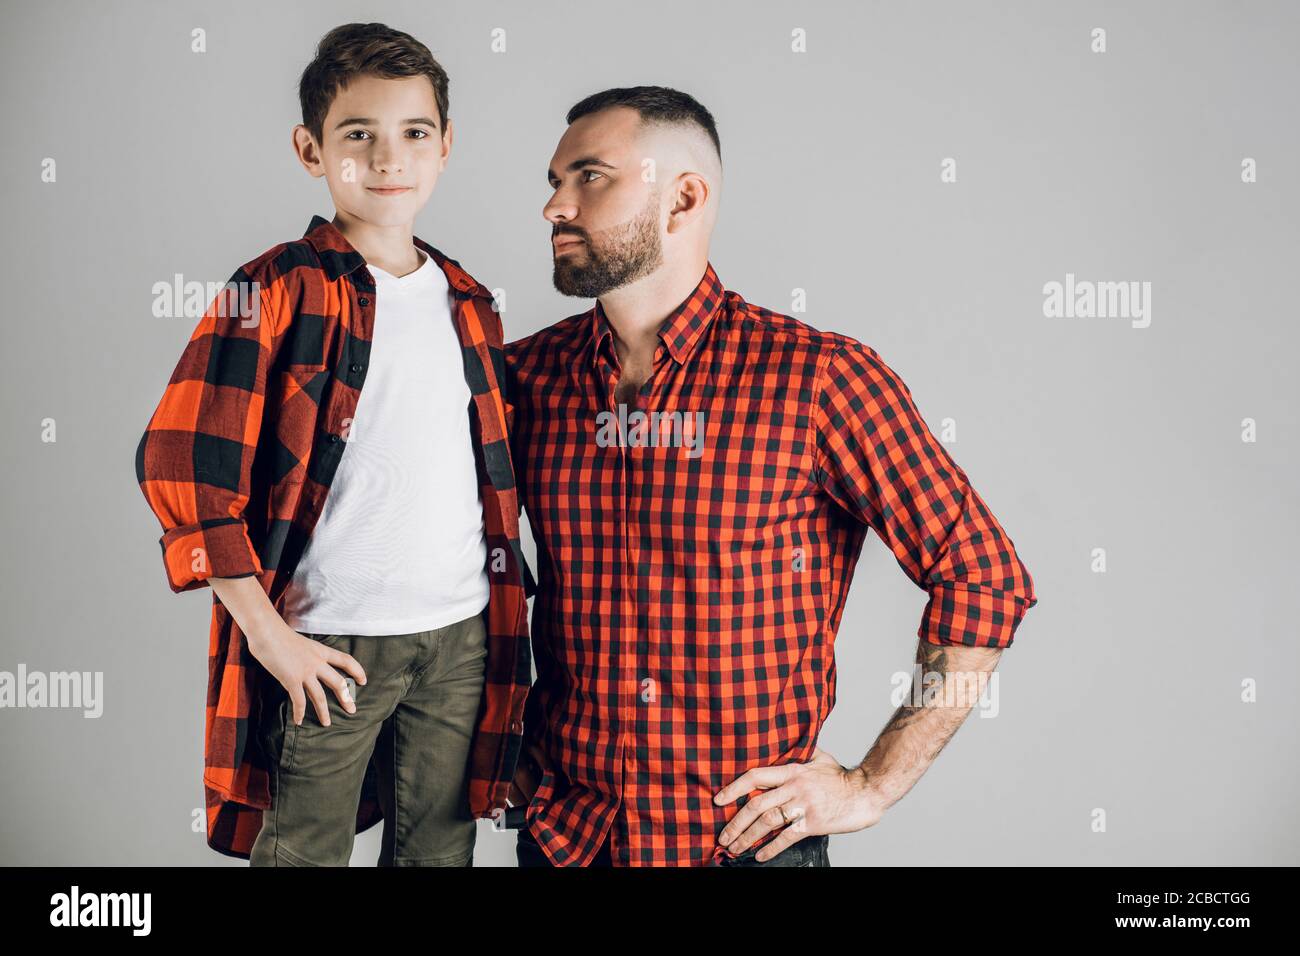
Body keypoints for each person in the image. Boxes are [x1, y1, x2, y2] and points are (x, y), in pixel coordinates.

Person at [505, 86, 1037, 867]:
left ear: (683, 198)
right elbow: (463, 570)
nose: (555, 205)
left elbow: (985, 579)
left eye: (590, 176)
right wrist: (497, 735)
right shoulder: (524, 377)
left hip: (739, 849)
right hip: (566, 846)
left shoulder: (818, 378)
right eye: (553, 182)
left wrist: (872, 785)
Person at [134, 22, 533, 865]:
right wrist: (272, 642)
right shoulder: (277, 288)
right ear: (311, 151)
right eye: (359, 136)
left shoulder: (470, 302)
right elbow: (182, 466)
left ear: (446, 146)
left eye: (414, 133)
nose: (389, 158)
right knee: (303, 852)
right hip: (329, 643)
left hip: (462, 635)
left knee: (438, 853)